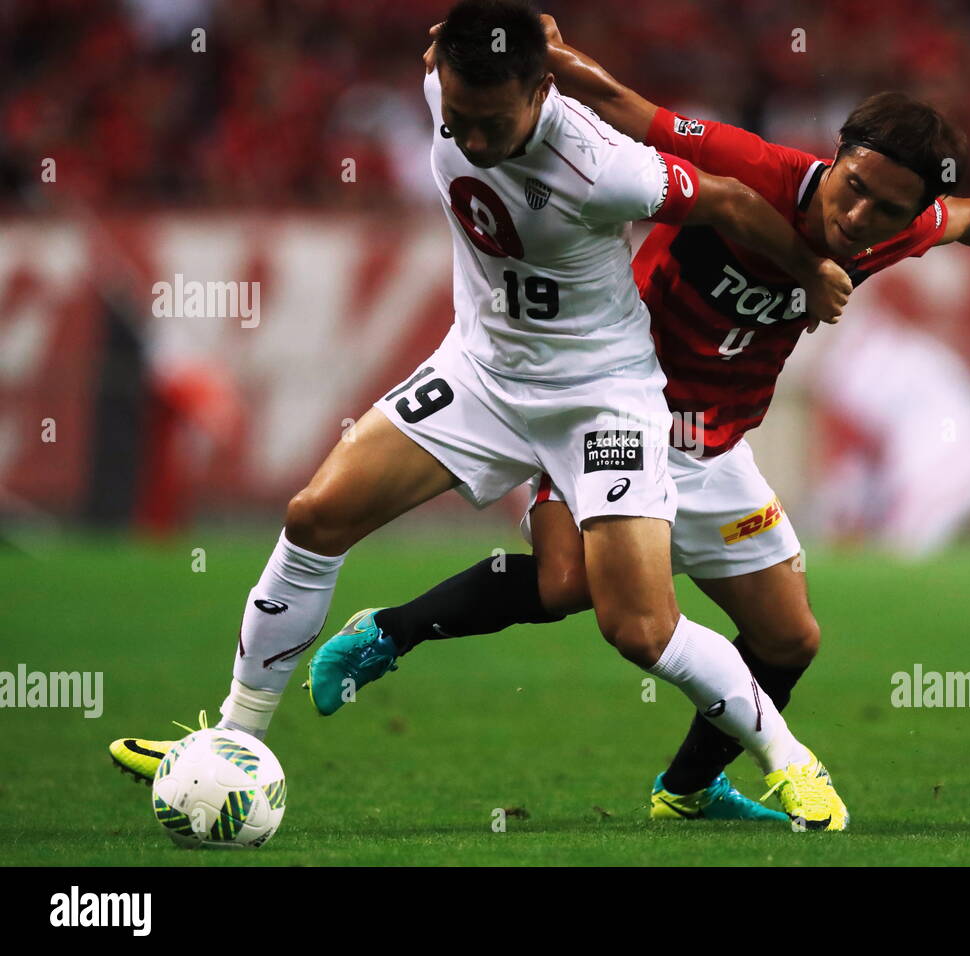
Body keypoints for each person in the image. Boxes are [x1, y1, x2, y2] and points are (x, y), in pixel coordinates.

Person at [312, 10, 970, 823]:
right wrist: (540, 51)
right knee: (564, 587)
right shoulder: (751, 166)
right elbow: (626, 105)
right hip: (613, 412)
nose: (860, 217)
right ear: (838, 153)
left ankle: (688, 790)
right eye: (853, 188)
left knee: (791, 636)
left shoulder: (901, 224)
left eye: (887, 209)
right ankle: (387, 632)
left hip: (715, 448)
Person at [110, 0, 855, 831]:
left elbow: (722, 199)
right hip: (481, 372)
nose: (470, 140)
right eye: (457, 120)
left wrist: (808, 267)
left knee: (640, 628)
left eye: (492, 124)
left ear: (541, 92)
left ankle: (790, 761)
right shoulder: (444, 78)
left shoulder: (607, 166)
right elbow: (465, 37)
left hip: (599, 395)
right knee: (315, 516)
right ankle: (233, 742)